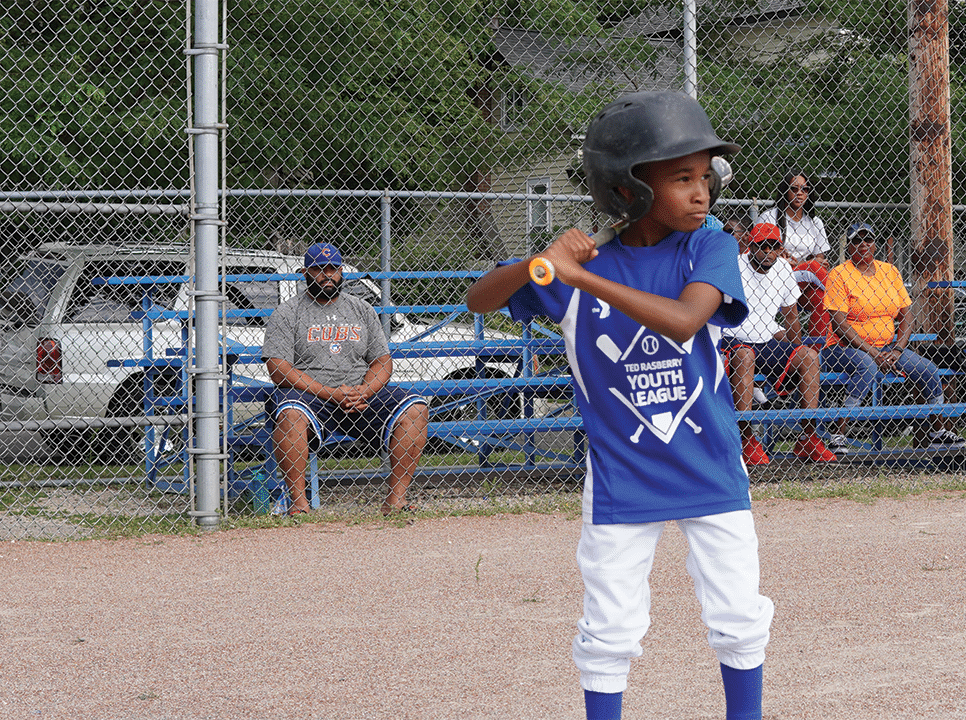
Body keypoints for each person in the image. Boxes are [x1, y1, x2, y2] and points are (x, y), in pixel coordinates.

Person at [463, 91, 771, 720]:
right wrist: (535, 263)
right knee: (609, 627)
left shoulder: (707, 248)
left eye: (703, 175)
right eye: (680, 177)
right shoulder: (583, 263)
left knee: (739, 615)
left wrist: (582, 279)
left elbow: (685, 321)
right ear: (627, 188)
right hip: (622, 478)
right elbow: (479, 300)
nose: (701, 191)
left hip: (710, 467)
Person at [262, 242, 430, 517]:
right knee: (290, 414)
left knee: (415, 408)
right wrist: (328, 392)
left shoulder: (361, 309)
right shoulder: (288, 312)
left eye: (333, 268)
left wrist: (366, 390)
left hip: (358, 395)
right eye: (319, 269)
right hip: (310, 395)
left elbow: (381, 360)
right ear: (304, 272)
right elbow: (278, 369)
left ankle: (395, 500)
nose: (327, 275)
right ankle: (298, 503)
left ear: (342, 270)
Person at [822, 222, 966, 450]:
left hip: (888, 348)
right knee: (867, 366)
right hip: (843, 348)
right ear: (849, 246)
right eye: (856, 240)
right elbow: (840, 325)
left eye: (868, 239)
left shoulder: (889, 271)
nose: (863, 245)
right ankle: (837, 434)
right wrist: (873, 353)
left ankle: (937, 432)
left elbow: (907, 315)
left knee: (928, 370)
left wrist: (897, 349)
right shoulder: (839, 274)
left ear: (875, 244)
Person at [725, 223, 836, 465]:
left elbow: (791, 314)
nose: (768, 252)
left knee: (808, 356)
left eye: (774, 246)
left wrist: (795, 349)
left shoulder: (783, 268)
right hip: (734, 338)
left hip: (767, 338)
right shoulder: (734, 266)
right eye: (762, 246)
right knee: (745, 356)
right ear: (750, 247)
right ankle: (745, 438)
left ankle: (808, 437)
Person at [753, 173, 828, 263]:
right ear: (785, 191)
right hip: (776, 267)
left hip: (806, 271)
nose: (799, 193)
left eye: (805, 189)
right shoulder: (768, 217)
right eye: (794, 189)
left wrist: (805, 264)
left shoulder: (815, 222)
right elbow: (759, 251)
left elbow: (819, 257)